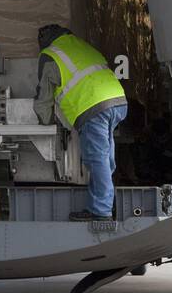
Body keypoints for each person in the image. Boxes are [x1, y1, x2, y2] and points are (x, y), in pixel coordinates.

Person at [35, 24, 129, 221]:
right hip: (117, 101)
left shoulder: (50, 55)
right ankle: (104, 201)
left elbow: (44, 95)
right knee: (104, 158)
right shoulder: (81, 45)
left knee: (96, 159)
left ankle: (101, 211)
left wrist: (45, 121)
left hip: (93, 106)